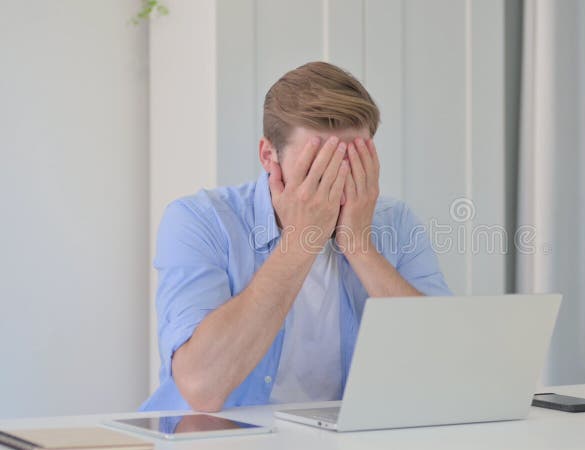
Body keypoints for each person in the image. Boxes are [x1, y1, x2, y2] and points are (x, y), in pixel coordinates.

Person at [140, 62, 451, 412]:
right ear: (268, 156)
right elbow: (202, 387)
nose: (335, 181)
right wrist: (301, 240)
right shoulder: (199, 220)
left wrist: (360, 246)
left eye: (351, 162)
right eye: (317, 165)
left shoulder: (396, 222)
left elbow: (445, 367)